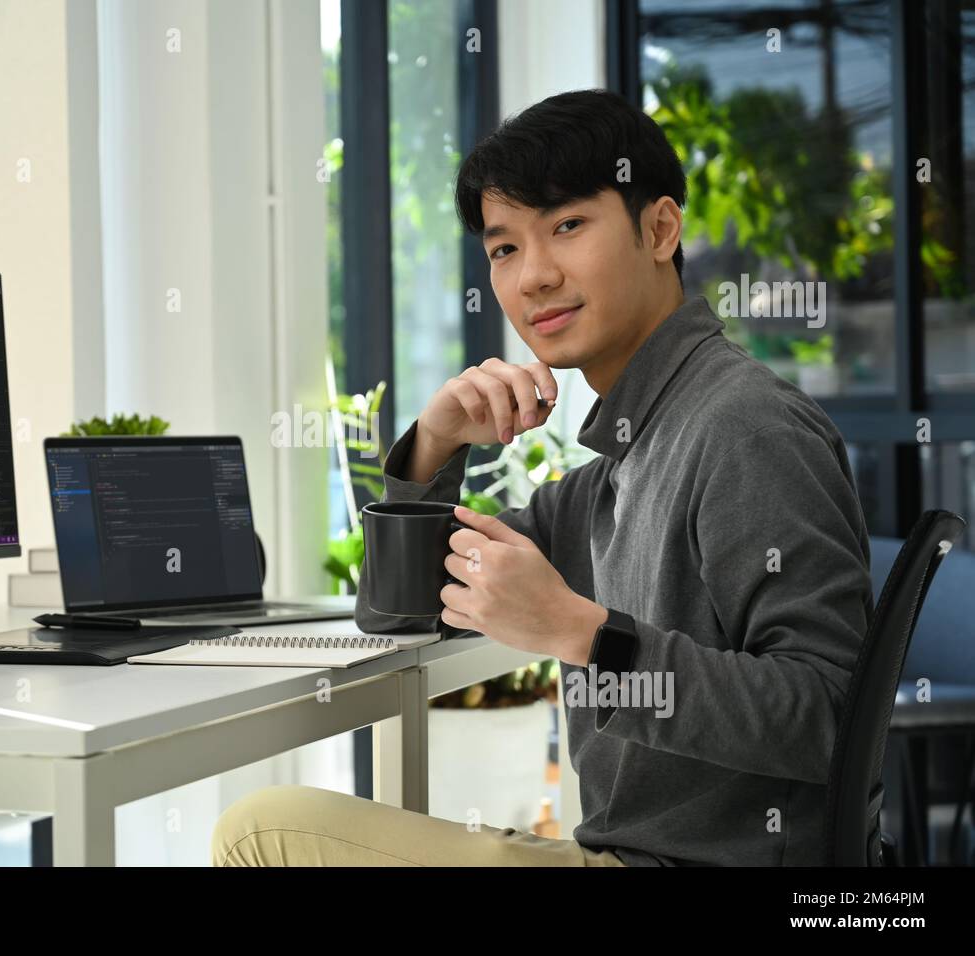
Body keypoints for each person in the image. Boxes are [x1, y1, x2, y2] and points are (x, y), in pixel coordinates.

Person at [212, 88, 873, 867]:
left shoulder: (742, 427)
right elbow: (404, 609)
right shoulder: (620, 465)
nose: (533, 277)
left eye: (566, 227)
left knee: (258, 830)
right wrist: (432, 447)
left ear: (660, 228)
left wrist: (580, 633)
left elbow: (833, 719)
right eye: (504, 249)